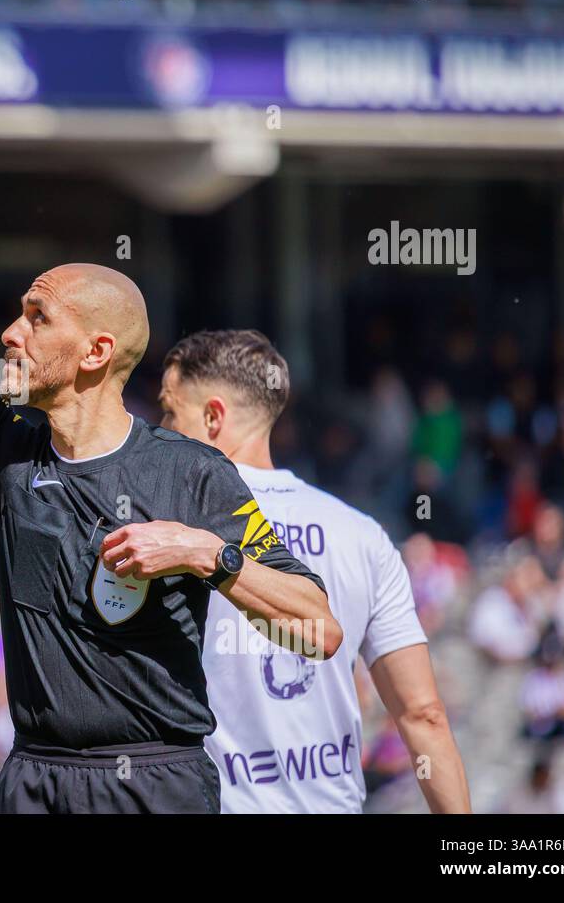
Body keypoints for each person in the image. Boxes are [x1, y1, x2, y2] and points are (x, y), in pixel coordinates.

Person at [0, 47, 341, 813]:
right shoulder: (2, 441)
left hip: (160, 782)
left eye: (37, 317)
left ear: (96, 352)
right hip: (37, 780)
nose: (11, 334)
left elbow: (316, 629)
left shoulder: (191, 476)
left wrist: (198, 551)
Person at [159, 329, 470, 813]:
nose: (159, 431)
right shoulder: (361, 533)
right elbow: (423, 715)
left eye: (169, 413)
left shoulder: (170, 534)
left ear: (212, 417)